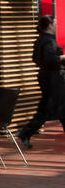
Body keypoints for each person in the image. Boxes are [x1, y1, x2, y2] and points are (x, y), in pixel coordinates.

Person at [20, 16, 65, 146]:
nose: (57, 26)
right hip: (53, 78)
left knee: (52, 107)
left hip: (47, 77)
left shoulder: (40, 40)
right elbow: (50, 58)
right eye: (55, 23)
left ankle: (26, 133)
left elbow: (35, 58)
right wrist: (62, 57)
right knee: (54, 107)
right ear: (49, 25)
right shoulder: (48, 41)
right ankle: (26, 132)